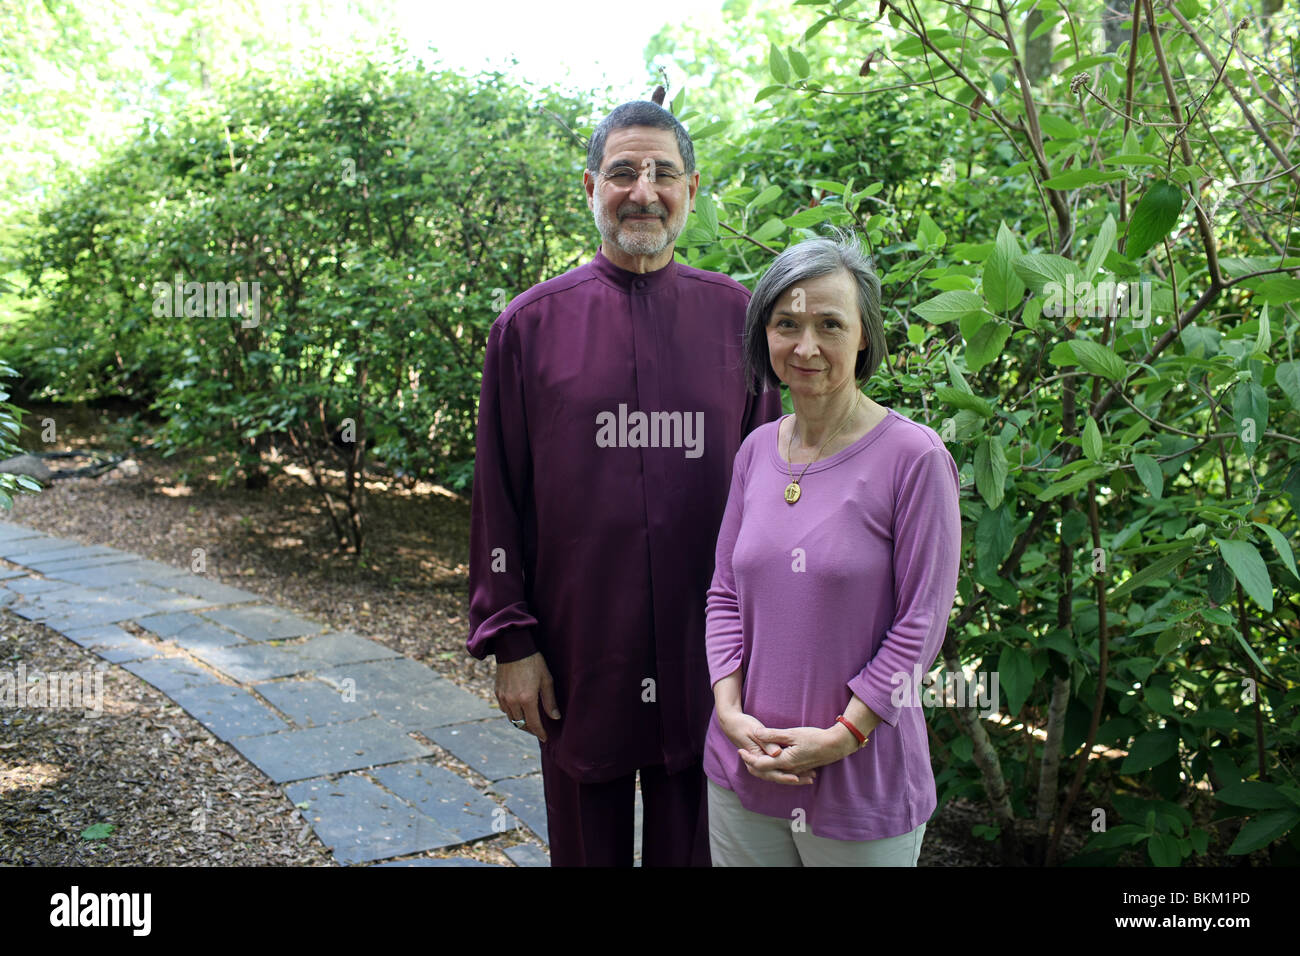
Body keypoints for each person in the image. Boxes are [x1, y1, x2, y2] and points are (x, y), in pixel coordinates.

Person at [466, 100, 783, 866]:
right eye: (622, 173)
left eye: (663, 173)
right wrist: (512, 642)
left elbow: (775, 487)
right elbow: (497, 500)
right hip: (581, 651)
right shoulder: (528, 328)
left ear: (693, 189)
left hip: (709, 657)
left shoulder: (740, 320)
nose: (643, 191)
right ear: (590, 187)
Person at [703, 232, 962, 866]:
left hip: (859, 778)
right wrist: (729, 711)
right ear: (764, 333)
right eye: (786, 323)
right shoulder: (755, 450)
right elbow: (723, 595)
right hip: (744, 767)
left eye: (829, 324)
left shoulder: (915, 457)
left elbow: (921, 624)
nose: (806, 345)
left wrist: (845, 735)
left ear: (864, 335)